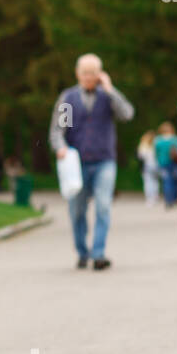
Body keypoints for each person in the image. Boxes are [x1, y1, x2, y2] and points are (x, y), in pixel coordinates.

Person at [49, 53, 134, 270]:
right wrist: (60, 148)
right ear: (78, 73)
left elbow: (127, 114)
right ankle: (82, 251)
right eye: (86, 72)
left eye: (94, 73)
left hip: (104, 160)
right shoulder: (68, 99)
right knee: (77, 211)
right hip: (76, 163)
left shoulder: (108, 98)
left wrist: (110, 89)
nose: (89, 77)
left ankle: (98, 254)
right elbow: (58, 131)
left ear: (100, 74)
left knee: (103, 206)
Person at [154, 122, 177, 209]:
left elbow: (156, 153)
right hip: (174, 163)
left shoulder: (158, 140)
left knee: (166, 181)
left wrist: (158, 161)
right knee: (175, 180)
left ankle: (168, 200)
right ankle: (174, 199)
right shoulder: (175, 139)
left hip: (162, 163)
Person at [136, 130, 159, 206]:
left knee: (148, 182)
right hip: (156, 165)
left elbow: (140, 156)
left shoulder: (143, 145)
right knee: (155, 181)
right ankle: (155, 196)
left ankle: (150, 198)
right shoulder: (156, 143)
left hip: (147, 165)